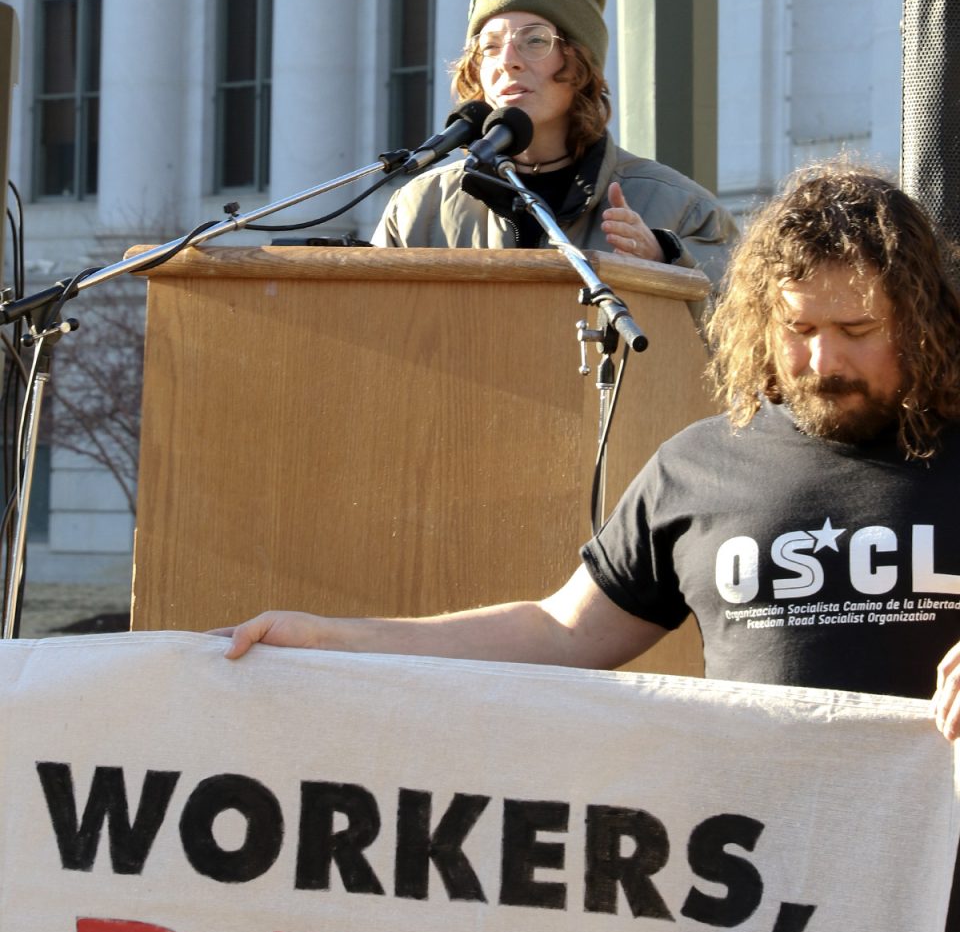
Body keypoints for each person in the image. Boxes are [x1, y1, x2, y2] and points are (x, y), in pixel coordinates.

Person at [220, 164, 960, 740]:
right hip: (764, 890)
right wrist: (328, 640)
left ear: (921, 320)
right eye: (799, 330)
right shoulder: (698, 468)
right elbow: (559, 633)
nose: (823, 360)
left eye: (858, 330)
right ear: (761, 322)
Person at [371, 0, 737, 286]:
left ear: (580, 64)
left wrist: (663, 259)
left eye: (534, 41)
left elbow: (746, 329)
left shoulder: (680, 208)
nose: (508, 61)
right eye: (491, 46)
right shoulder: (420, 208)